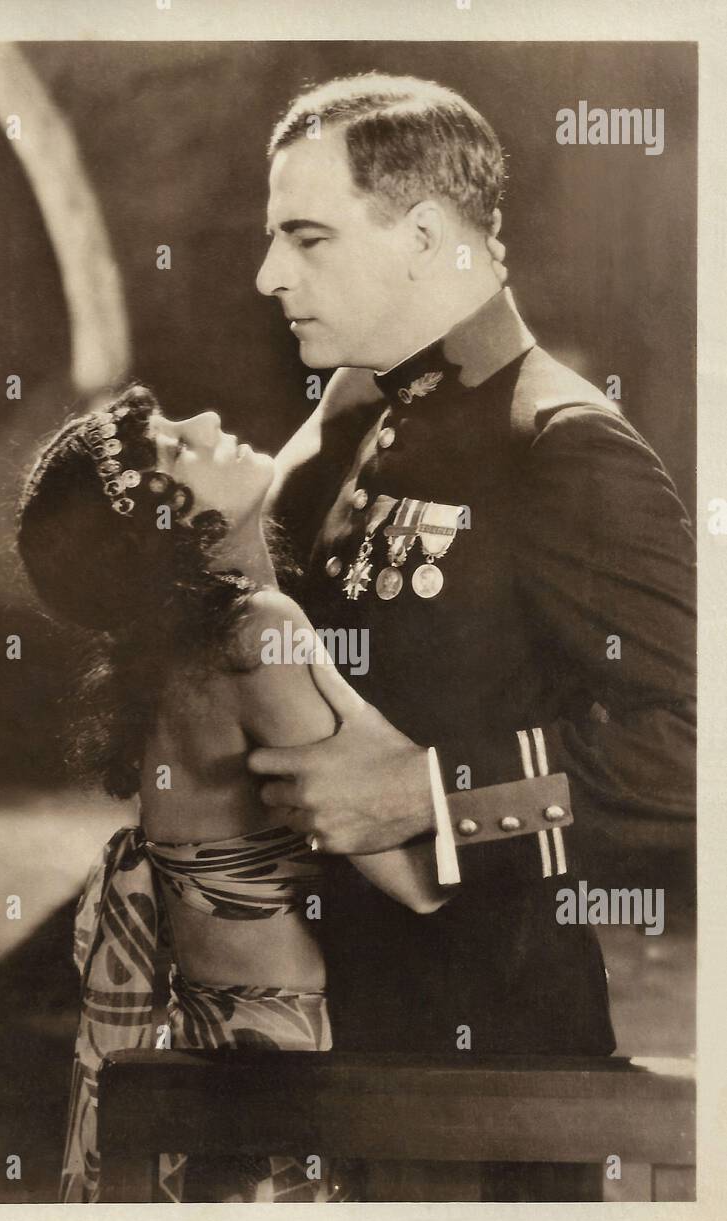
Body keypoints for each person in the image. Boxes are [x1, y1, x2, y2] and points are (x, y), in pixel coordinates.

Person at [248, 74, 696, 1065]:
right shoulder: (351, 413)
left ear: (420, 237)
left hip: (492, 1040)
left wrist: (436, 794)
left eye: (308, 237)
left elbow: (692, 743)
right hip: (304, 1018)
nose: (270, 274)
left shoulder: (567, 443)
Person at [16, 382, 450, 1203]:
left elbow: (300, 451)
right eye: (178, 445)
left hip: (220, 1029)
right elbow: (415, 885)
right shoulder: (259, 633)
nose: (210, 419)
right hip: (284, 1048)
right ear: (173, 530)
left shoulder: (193, 648)